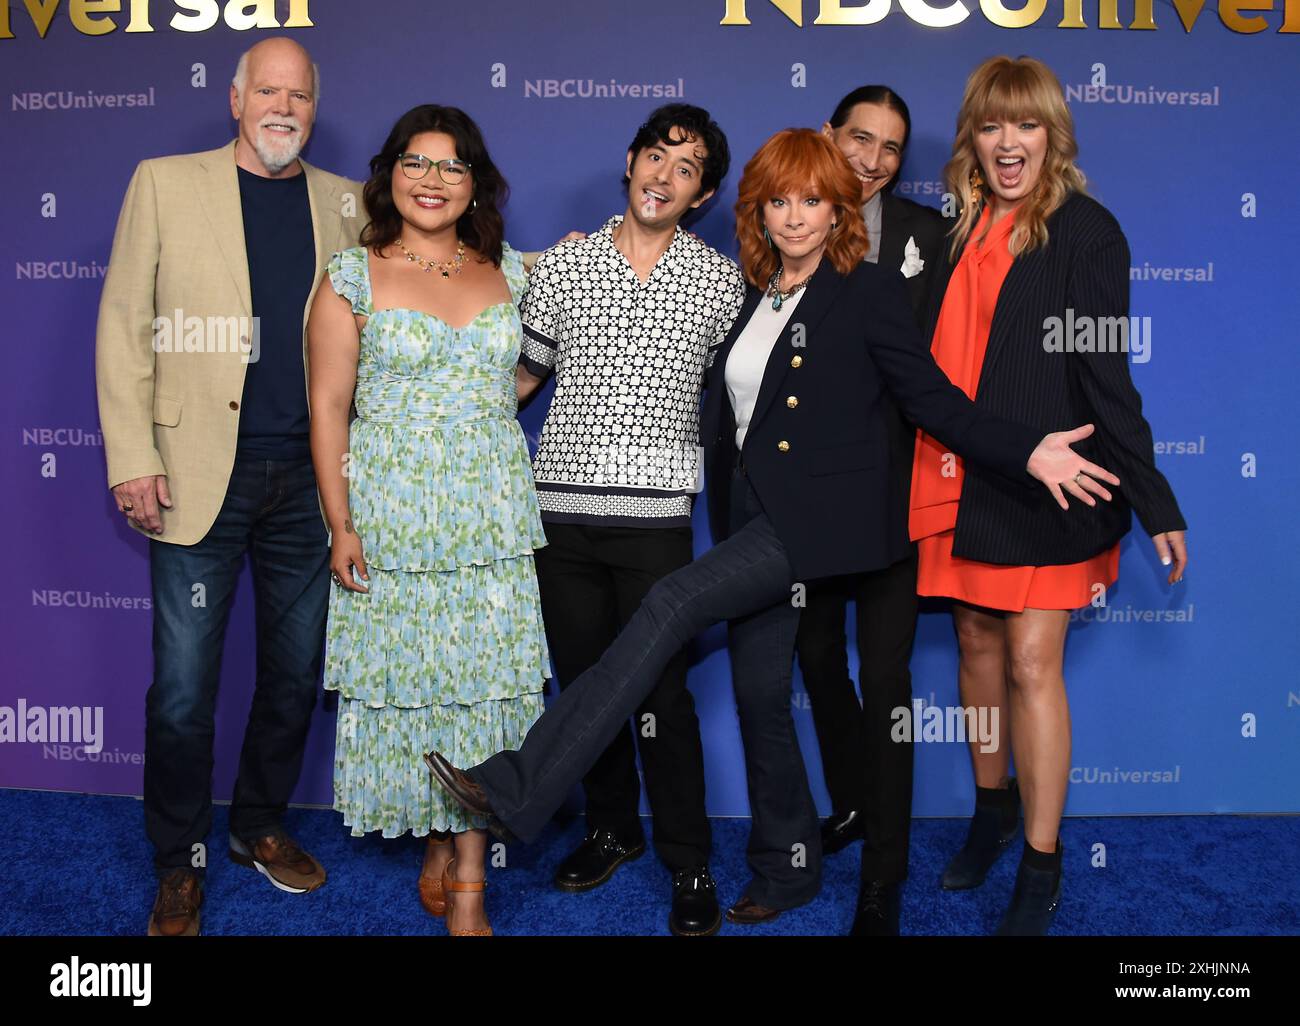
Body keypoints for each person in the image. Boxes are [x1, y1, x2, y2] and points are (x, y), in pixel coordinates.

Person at [427, 127, 1119, 929]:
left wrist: (1026, 449)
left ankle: (515, 785)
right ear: (757, 209)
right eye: (779, 201)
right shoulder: (753, 290)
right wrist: (555, 262)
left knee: (667, 605)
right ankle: (788, 868)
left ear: (839, 209)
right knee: (760, 692)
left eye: (812, 201)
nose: (794, 218)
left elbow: (936, 404)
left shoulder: (865, 291)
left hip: (820, 525)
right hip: (755, 513)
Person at [95, 37, 363, 937]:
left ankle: (256, 826)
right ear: (236, 99)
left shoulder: (347, 205)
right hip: (193, 474)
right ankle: (179, 862)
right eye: (269, 91)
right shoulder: (164, 182)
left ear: (313, 109)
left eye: (300, 96)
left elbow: (409, 301)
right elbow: (127, 323)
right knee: (181, 692)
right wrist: (132, 453)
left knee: (294, 678)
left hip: (311, 480)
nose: (284, 107)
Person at [914, 57, 1188, 935]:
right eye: (992, 125)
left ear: (1052, 136)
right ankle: (991, 814)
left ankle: (1042, 856)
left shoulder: (1087, 232)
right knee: (974, 644)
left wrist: (1157, 502)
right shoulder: (953, 228)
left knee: (1034, 663)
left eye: (1025, 125)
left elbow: (1110, 378)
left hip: (1049, 484)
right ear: (973, 138)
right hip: (955, 472)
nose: (1007, 143)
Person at [307, 105, 551, 937]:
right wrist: (341, 525)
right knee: (414, 689)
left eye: (452, 166)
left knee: (483, 690)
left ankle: (472, 883)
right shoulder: (352, 274)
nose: (433, 180)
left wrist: (466, 423)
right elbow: (329, 407)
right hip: (390, 514)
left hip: (487, 516)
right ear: (390, 175)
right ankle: (441, 840)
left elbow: (508, 380)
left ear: (475, 182)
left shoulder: (511, 272)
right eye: (417, 162)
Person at [514, 104, 746, 936]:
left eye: (684, 169)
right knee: (585, 692)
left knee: (661, 696)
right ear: (630, 160)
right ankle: (610, 829)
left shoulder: (720, 285)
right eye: (656, 156)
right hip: (562, 519)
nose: (664, 175)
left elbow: (749, 396)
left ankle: (688, 861)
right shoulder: (565, 269)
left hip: (655, 525)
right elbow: (522, 380)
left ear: (703, 193)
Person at [792, 84, 948, 935]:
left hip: (897, 493)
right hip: (808, 498)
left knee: (886, 679)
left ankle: (884, 873)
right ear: (829, 135)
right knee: (816, 658)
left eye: (890, 148)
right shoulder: (787, 222)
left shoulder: (931, 236)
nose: (872, 161)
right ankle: (851, 803)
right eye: (860, 139)